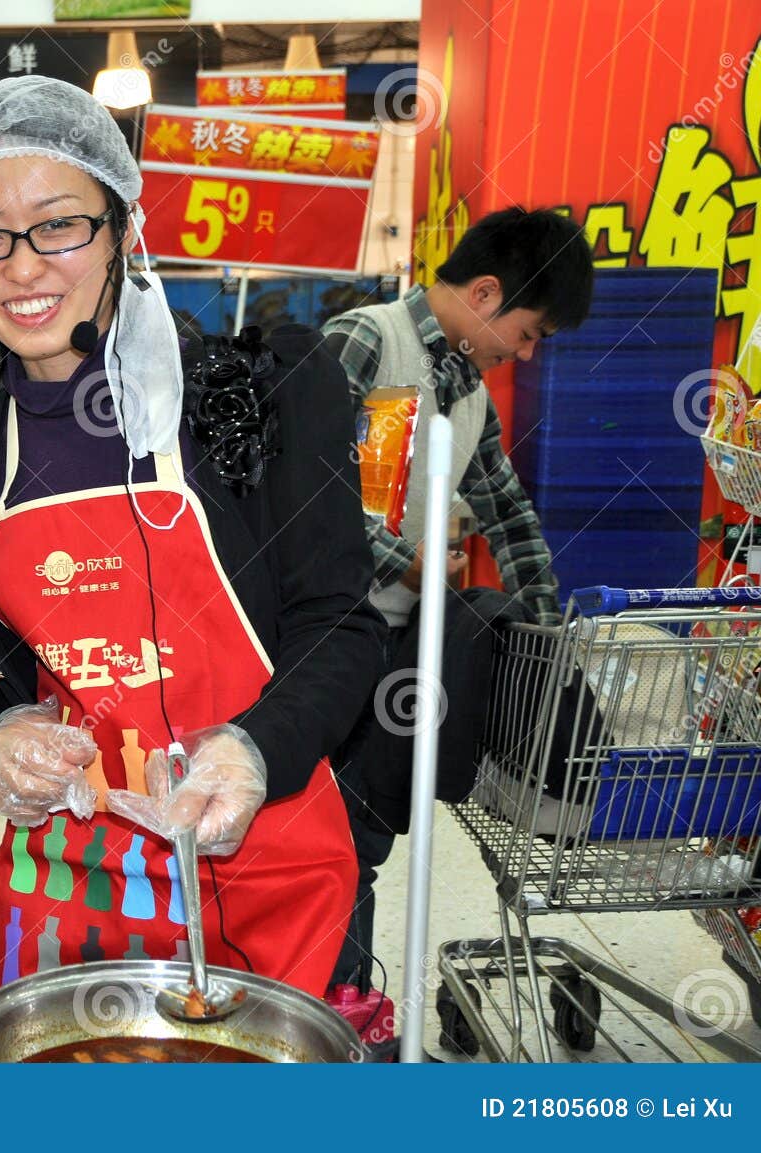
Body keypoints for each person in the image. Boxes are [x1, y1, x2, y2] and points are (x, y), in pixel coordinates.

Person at [0, 76, 387, 999]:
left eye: (58, 224)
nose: (21, 267)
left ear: (122, 229)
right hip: (69, 892)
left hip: (268, 865)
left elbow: (341, 622)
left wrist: (255, 749)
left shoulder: (261, 396)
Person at [321, 205, 596, 992]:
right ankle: (331, 1011)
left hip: (397, 648)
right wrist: (407, 563)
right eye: (531, 330)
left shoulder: (468, 389)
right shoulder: (370, 339)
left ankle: (348, 1005)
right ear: (484, 292)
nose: (526, 351)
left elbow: (507, 513)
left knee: (361, 832)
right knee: (328, 835)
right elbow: (306, 489)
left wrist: (545, 628)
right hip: (318, 636)